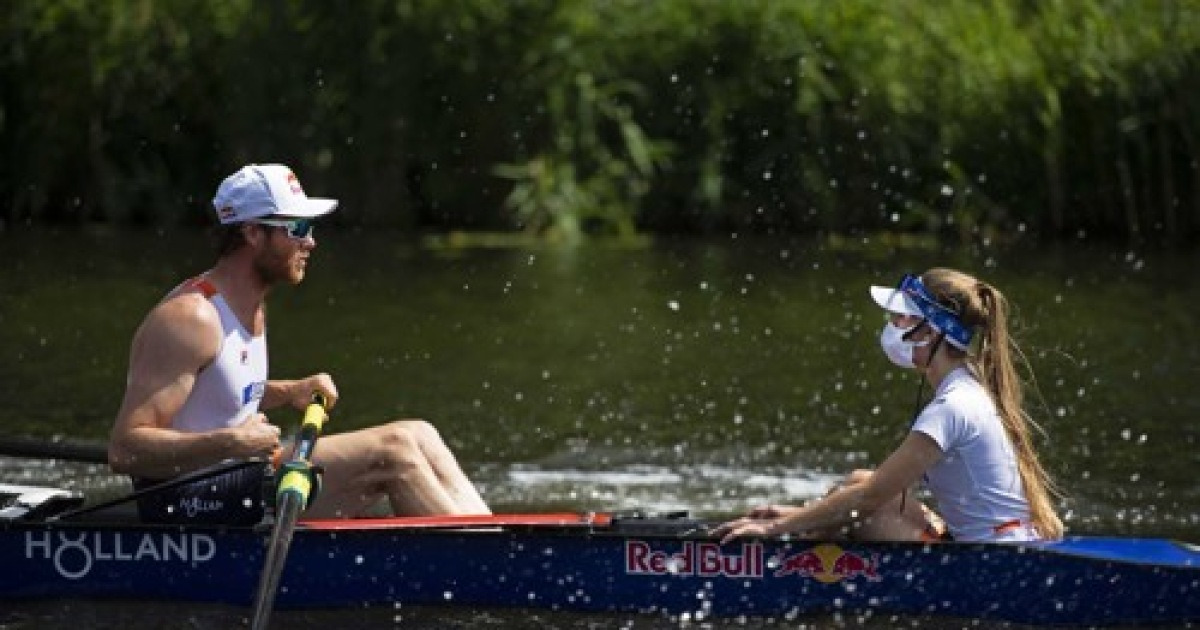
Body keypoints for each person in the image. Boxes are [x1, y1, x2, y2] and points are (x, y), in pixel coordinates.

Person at [108, 163, 490, 525]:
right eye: (298, 228)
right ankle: (479, 559)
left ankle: (494, 538)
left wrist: (290, 391)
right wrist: (232, 442)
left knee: (420, 432)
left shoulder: (249, 305)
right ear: (253, 233)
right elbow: (126, 449)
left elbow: (216, 394)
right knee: (394, 450)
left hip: (239, 473)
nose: (311, 242)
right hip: (186, 499)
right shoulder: (189, 319)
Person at [716, 268, 1063, 543]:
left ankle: (790, 561)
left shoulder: (952, 407)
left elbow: (869, 498)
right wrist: (797, 516)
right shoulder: (970, 387)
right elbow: (872, 486)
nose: (892, 326)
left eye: (902, 318)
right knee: (858, 480)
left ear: (931, 332)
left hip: (994, 560)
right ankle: (803, 542)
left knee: (868, 506)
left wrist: (776, 528)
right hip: (1000, 541)